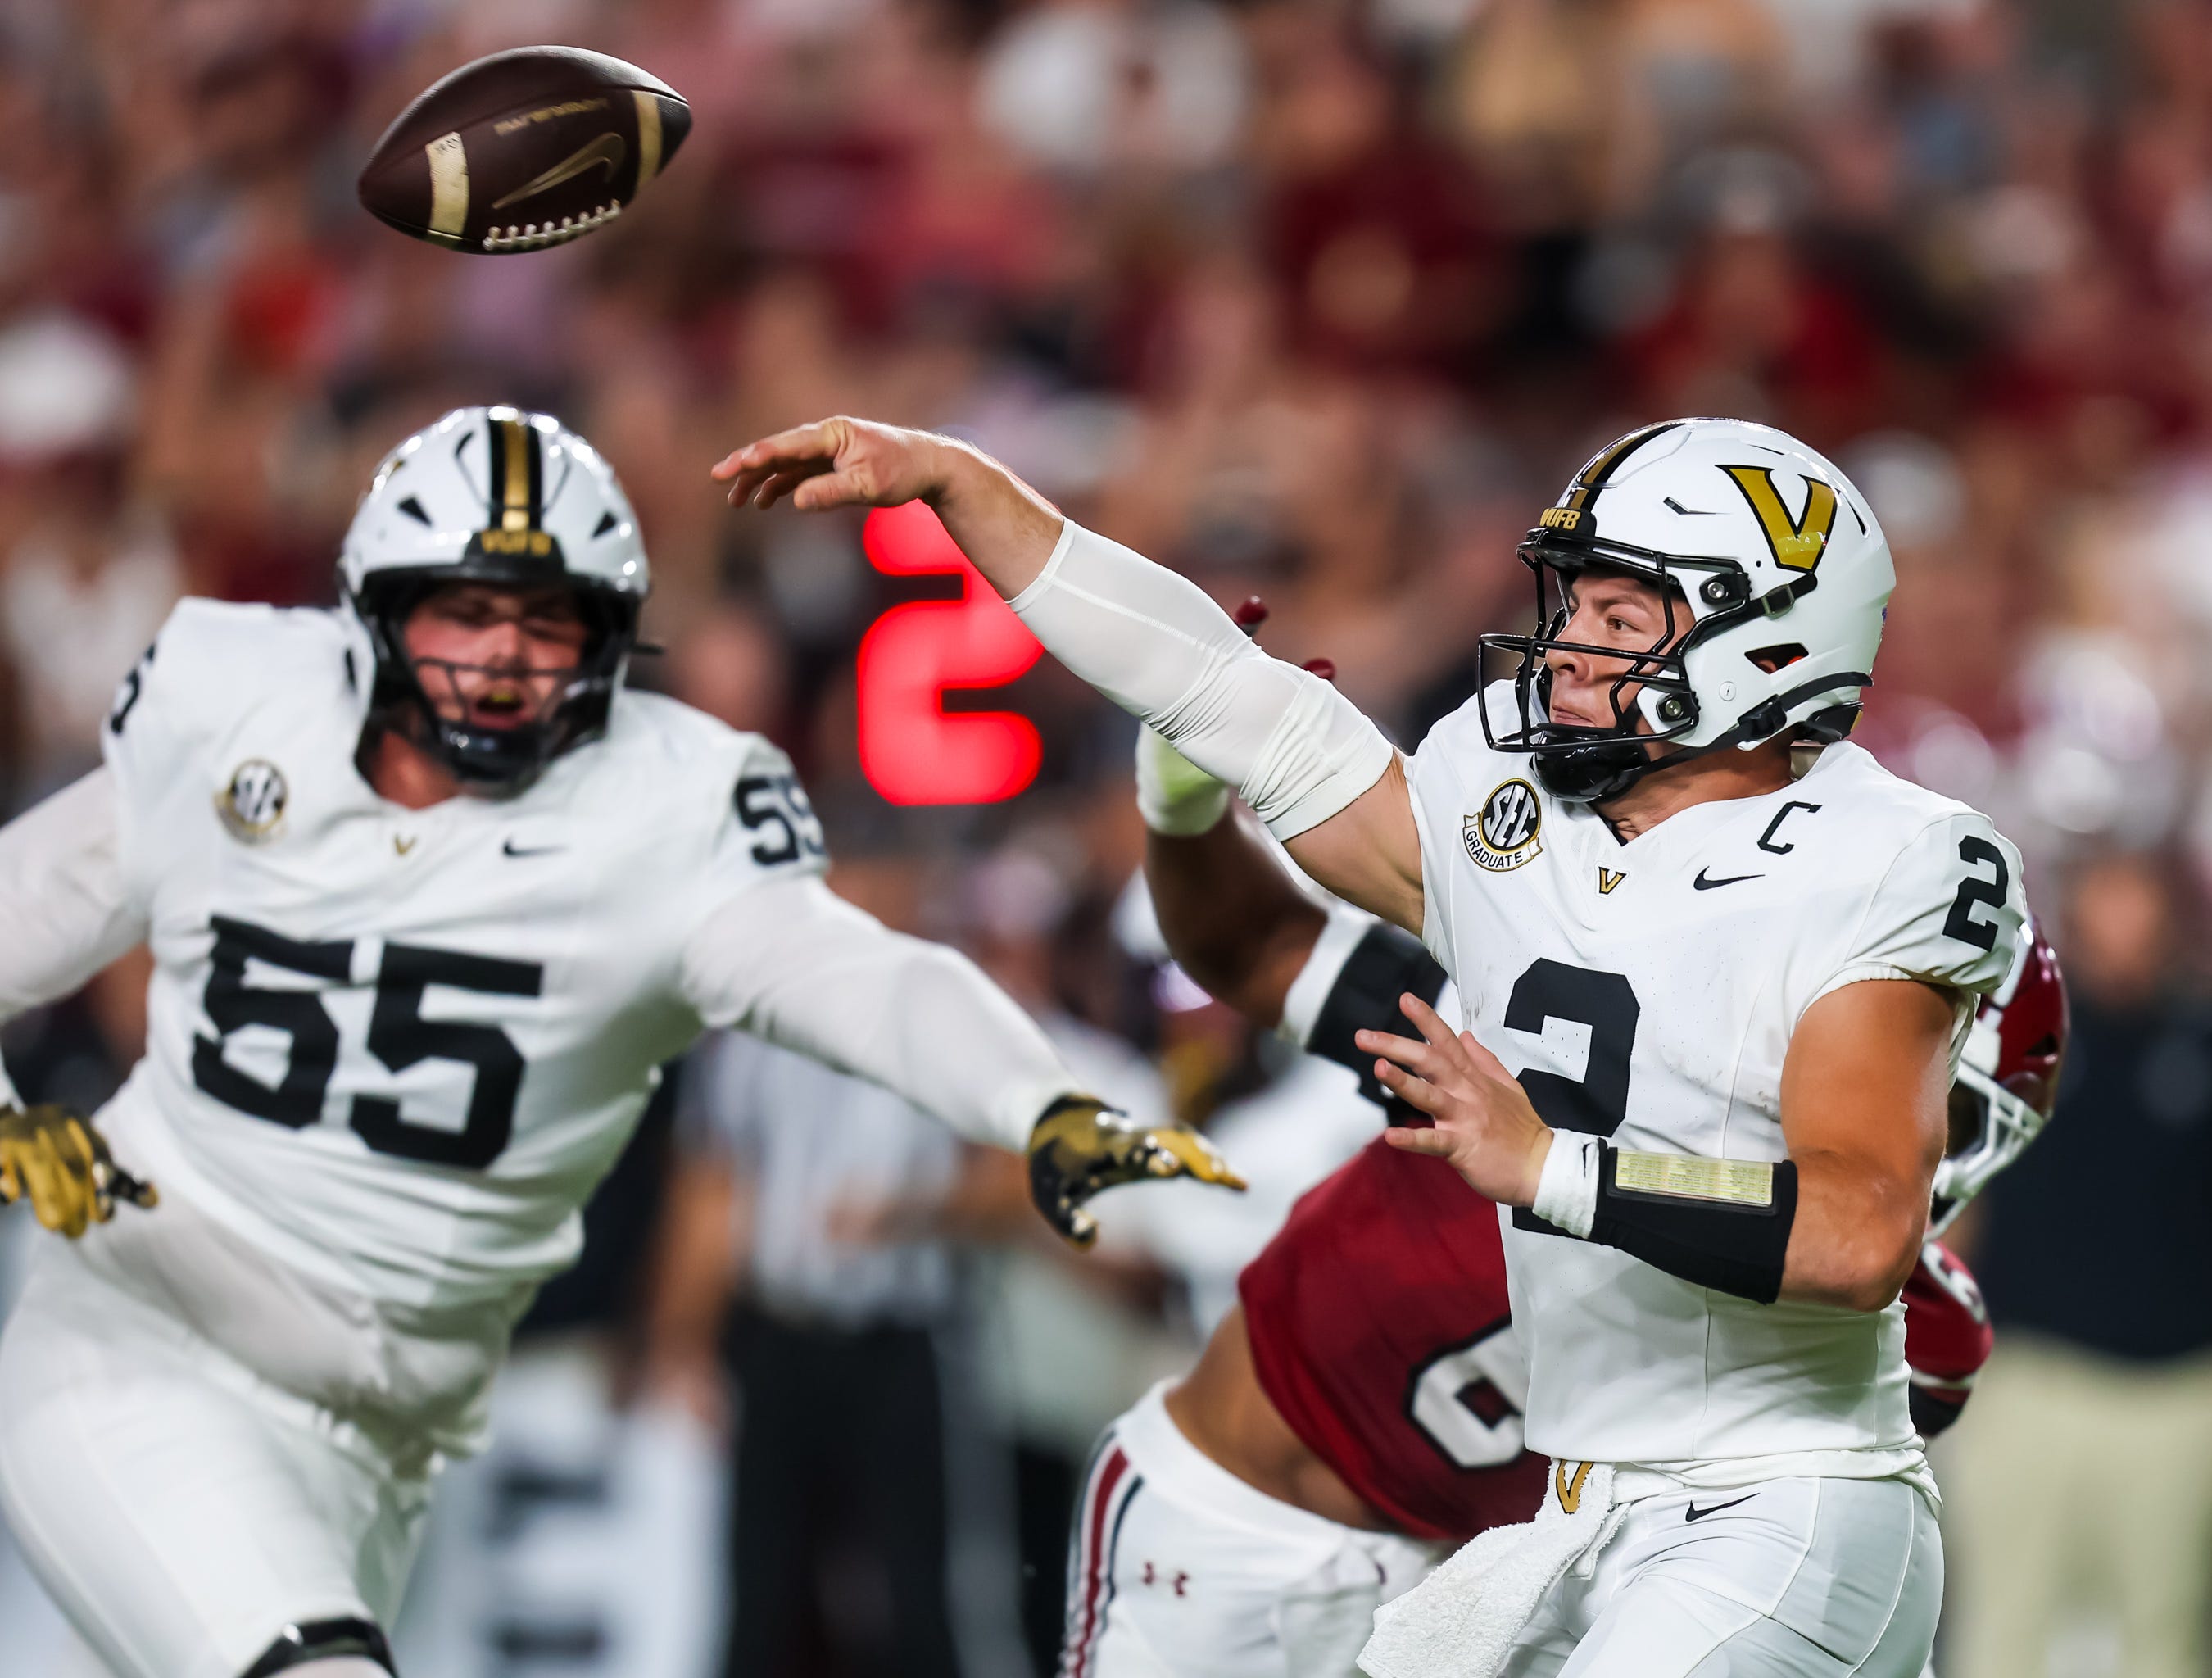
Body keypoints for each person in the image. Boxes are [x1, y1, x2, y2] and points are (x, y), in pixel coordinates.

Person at [716, 413, 2028, 1677]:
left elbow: (1861, 1230)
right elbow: (1224, 692)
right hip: (1566, 1520)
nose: (1567, 650)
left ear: (1771, 647)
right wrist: (964, 489)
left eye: (1621, 619)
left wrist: (1549, 1165)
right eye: (1572, 605)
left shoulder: (1891, 857)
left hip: (1771, 1505)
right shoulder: (1515, 811)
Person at [0, 405, 1240, 1678]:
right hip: (146, 1350)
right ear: (377, 612)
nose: (503, 659)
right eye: (464, 611)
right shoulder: (240, 710)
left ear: (607, 643)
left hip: (386, 1432)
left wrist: (1034, 1098)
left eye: (548, 623)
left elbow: (855, 975)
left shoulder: (663, 810)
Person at [1051, 724, 2065, 1678]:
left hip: (1486, 1594)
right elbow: (1257, 948)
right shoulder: (1567, 1050)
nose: (1896, 1119)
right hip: (1236, 1528)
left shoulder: (1909, 1330)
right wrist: (1181, 800)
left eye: (1943, 1110)